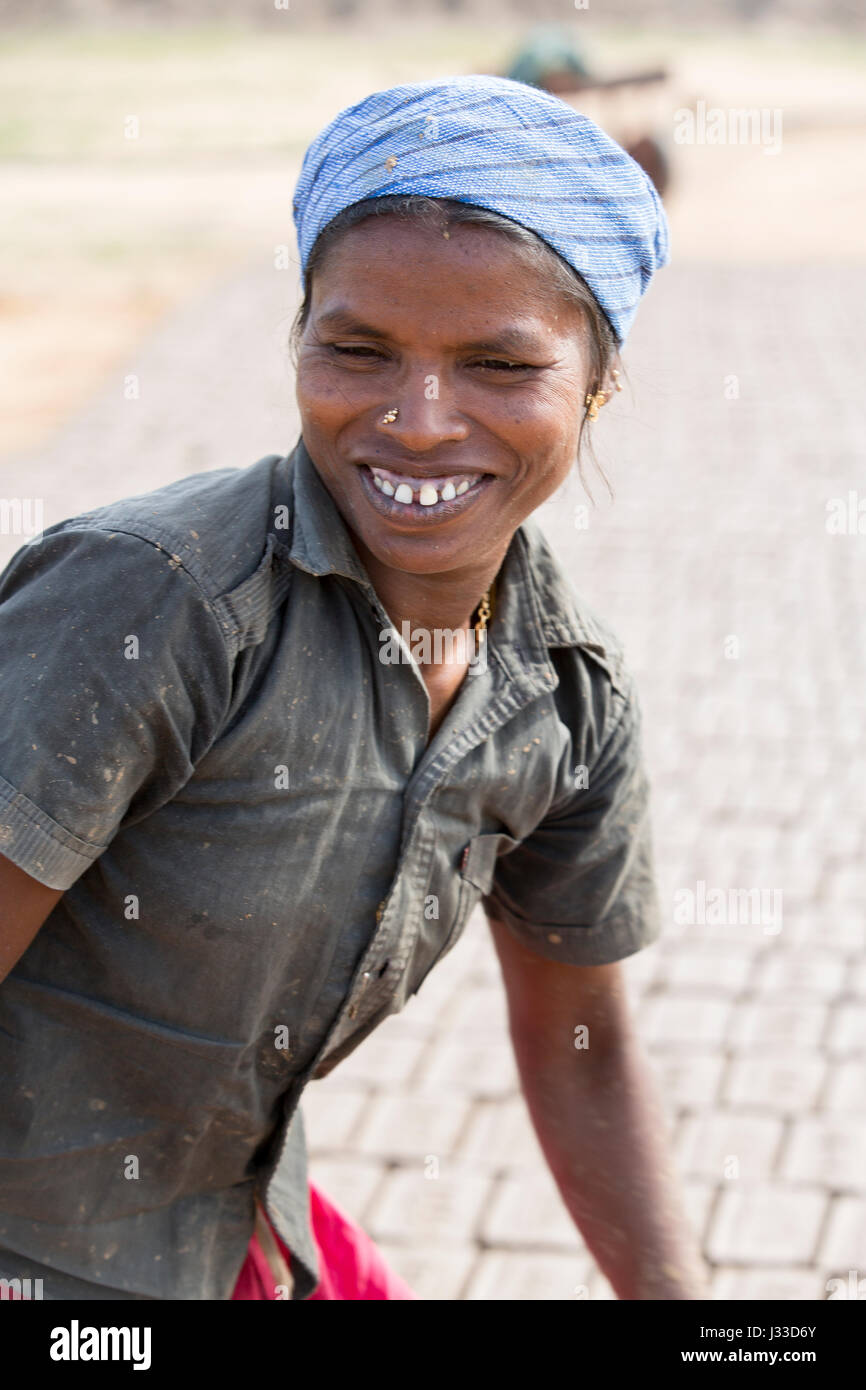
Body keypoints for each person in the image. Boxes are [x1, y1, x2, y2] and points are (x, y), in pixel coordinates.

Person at [0, 74, 708, 1300]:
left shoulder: (566, 698)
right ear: (298, 342)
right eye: (357, 349)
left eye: (498, 362)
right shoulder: (156, 605)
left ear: (594, 386)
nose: (421, 419)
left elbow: (582, 1051)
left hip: (233, 1219)